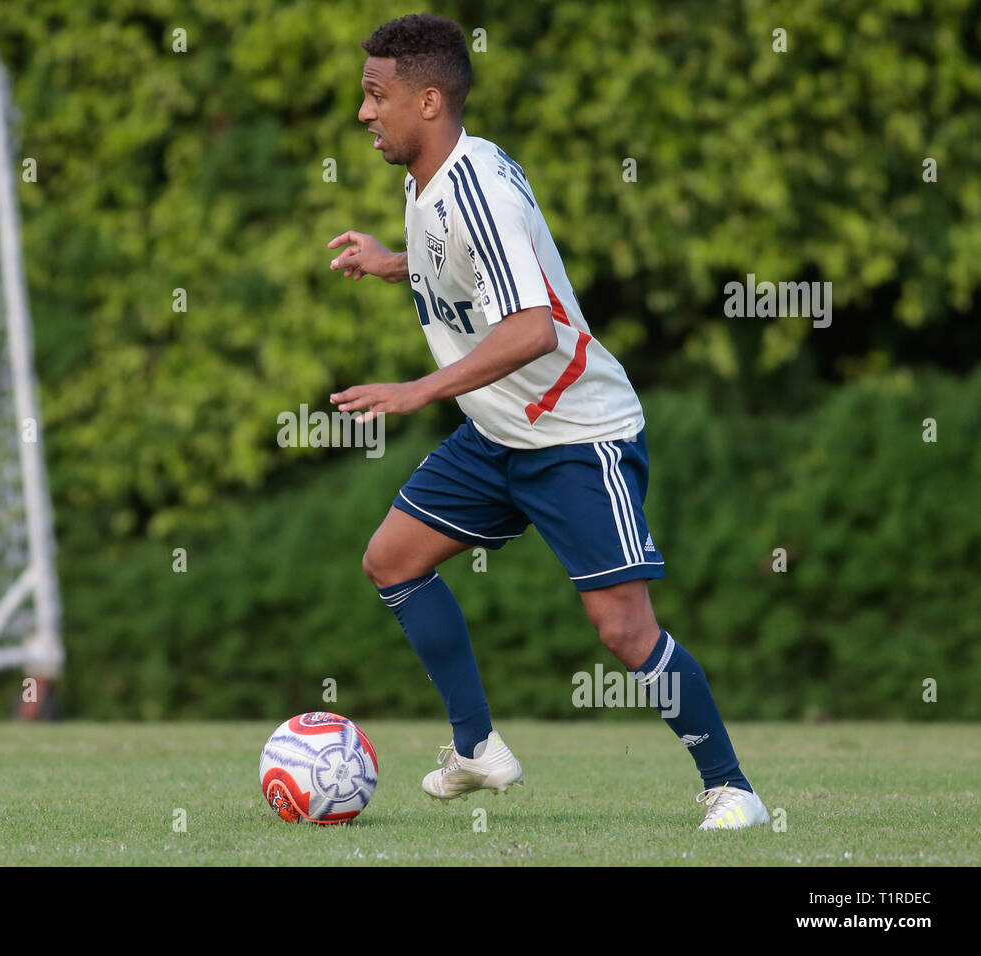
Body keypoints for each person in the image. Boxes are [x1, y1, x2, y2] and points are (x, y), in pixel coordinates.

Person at [327, 14, 768, 829]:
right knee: (392, 560)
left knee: (626, 632)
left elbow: (531, 328)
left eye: (374, 96)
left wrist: (417, 391)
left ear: (428, 101)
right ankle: (476, 747)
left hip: (574, 431)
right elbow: (465, 273)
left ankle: (734, 789)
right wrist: (394, 262)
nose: (363, 113)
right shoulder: (429, 177)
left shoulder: (477, 187)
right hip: (500, 431)